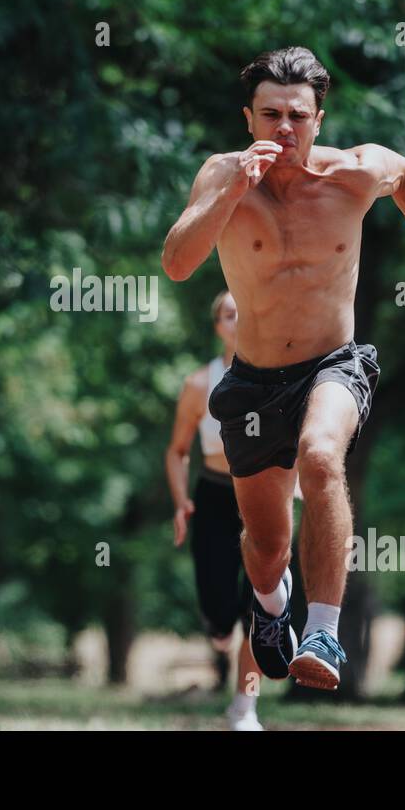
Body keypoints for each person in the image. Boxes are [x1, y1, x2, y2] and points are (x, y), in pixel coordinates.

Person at [161, 46, 405, 690]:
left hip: (335, 363)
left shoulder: (353, 173)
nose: (284, 128)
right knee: (267, 544)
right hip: (249, 381)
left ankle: (324, 634)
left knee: (321, 455)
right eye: (270, 114)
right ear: (247, 118)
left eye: (297, 116)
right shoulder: (221, 175)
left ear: (319, 119)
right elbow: (177, 262)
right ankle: (271, 607)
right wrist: (232, 191)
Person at [165, 290, 264, 730]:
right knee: (221, 613)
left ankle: (245, 709)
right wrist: (180, 499)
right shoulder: (198, 384)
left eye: (244, 312)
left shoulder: (278, 375)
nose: (237, 320)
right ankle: (219, 628)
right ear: (217, 324)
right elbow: (177, 450)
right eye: (228, 313)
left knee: (262, 608)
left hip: (263, 495)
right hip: (213, 494)